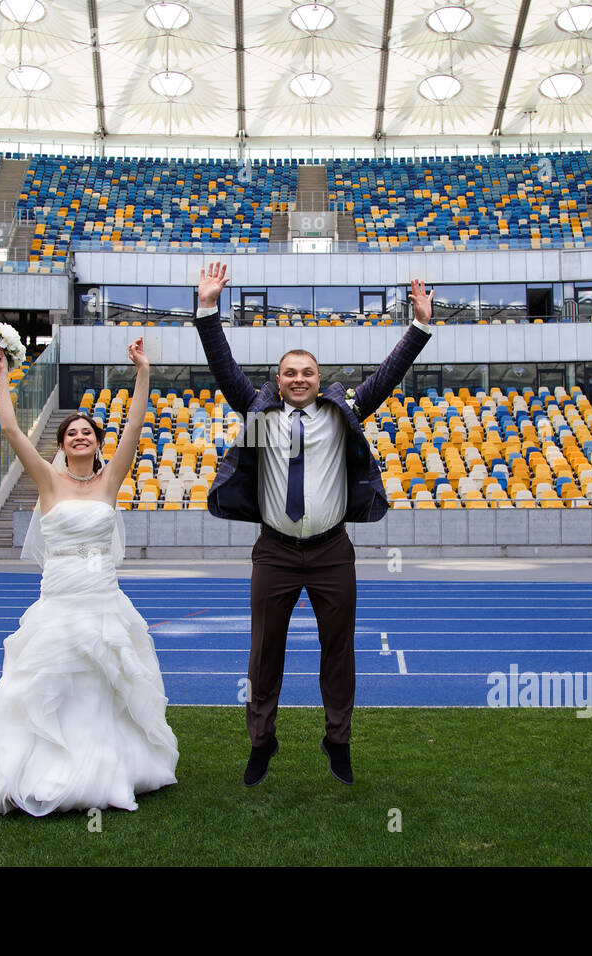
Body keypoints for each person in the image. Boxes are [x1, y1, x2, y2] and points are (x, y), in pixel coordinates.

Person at [192, 262, 435, 787]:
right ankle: (262, 742)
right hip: (275, 551)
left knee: (338, 651)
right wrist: (208, 309)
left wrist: (418, 325)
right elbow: (223, 367)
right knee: (264, 653)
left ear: (319, 380)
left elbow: (387, 376)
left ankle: (337, 739)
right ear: (277, 381)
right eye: (289, 373)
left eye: (307, 373)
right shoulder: (258, 415)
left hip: (330, 551)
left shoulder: (342, 411)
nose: (298, 380)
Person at [0, 337, 178, 815]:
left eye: (87, 432)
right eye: (72, 433)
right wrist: (1, 374)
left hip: (103, 598)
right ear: (62, 443)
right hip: (61, 598)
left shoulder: (111, 480)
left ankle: (106, 769)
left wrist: (143, 372)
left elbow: (134, 423)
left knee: (103, 686)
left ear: (97, 442)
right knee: (47, 682)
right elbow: (9, 427)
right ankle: (39, 769)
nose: (80, 437)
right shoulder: (47, 480)